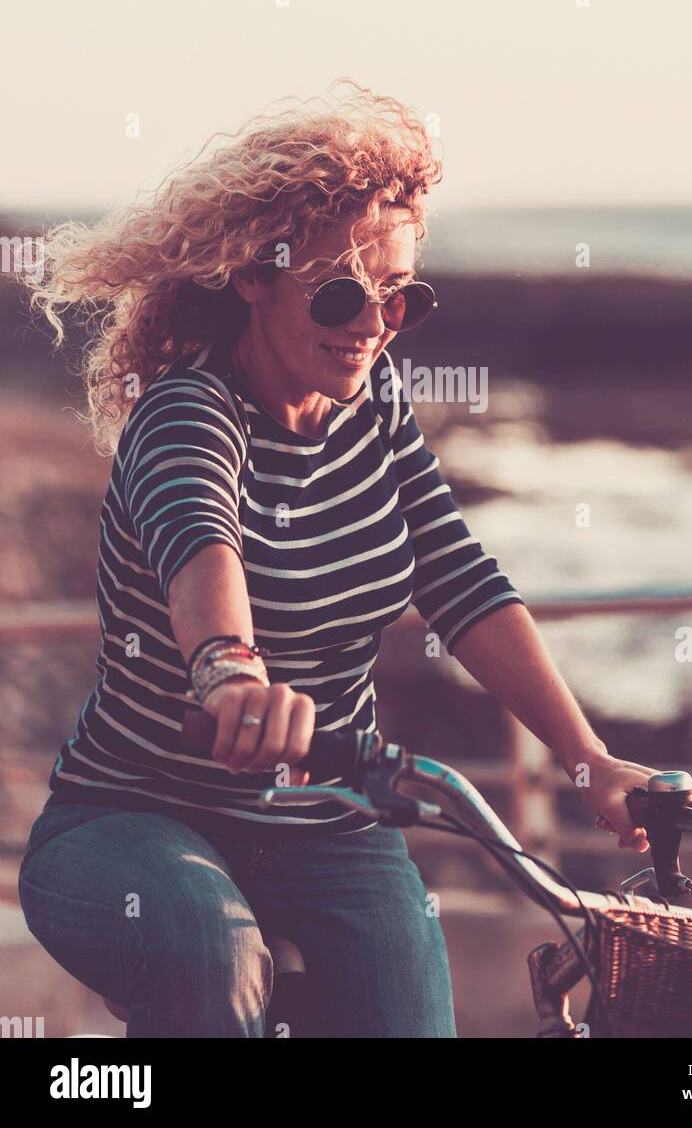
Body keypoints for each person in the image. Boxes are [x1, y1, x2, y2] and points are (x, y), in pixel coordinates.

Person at [17, 82, 653, 1037]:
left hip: (328, 828)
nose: (372, 323)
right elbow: (202, 545)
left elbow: (458, 577)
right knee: (206, 944)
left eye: (399, 296)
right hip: (132, 822)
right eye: (343, 292)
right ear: (252, 276)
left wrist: (587, 759)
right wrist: (230, 674)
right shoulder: (188, 414)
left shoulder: (374, 398)